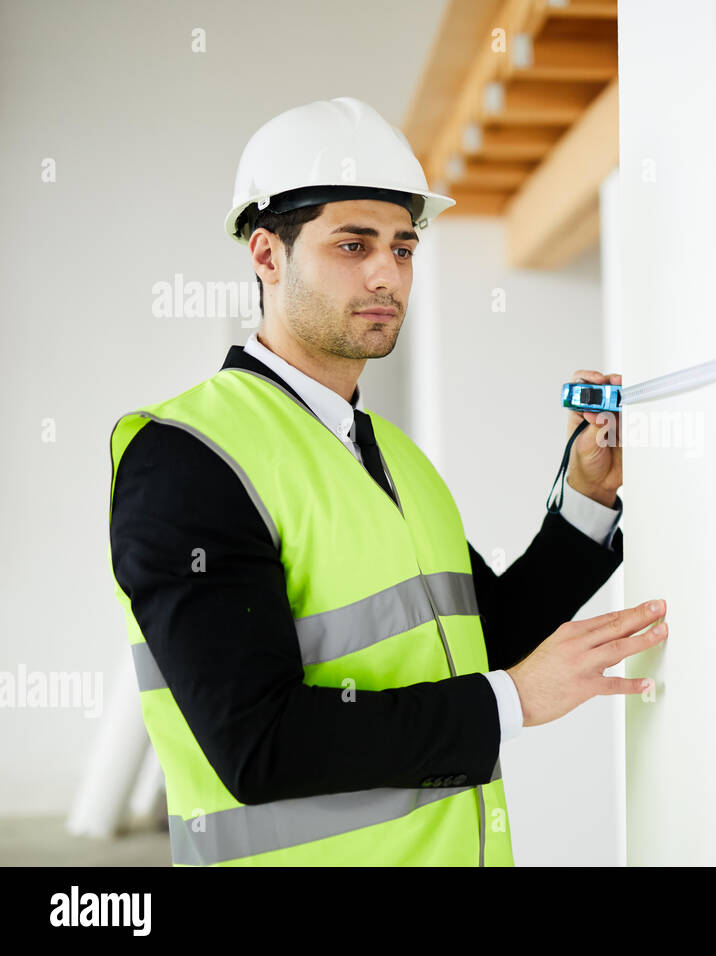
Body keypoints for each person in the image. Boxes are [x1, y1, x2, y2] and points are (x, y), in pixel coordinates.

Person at [107, 97, 668, 866]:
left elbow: (485, 638)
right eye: (353, 245)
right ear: (267, 255)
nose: (387, 274)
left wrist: (586, 498)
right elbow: (256, 744)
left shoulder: (395, 457)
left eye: (403, 248)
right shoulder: (187, 457)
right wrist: (512, 701)